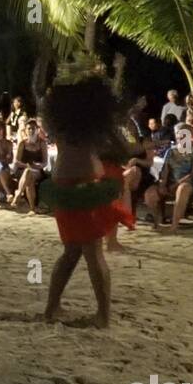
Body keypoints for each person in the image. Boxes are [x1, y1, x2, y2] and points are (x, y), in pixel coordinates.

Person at [41, 61, 134, 329]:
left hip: (66, 186)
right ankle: (102, 316)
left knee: (71, 252)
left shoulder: (59, 120)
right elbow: (124, 148)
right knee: (93, 252)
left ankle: (52, 308)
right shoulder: (93, 123)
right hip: (82, 190)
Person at [144, 124, 193, 233]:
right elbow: (165, 170)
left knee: (182, 189)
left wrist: (175, 184)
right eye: (178, 134)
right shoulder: (171, 151)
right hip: (170, 183)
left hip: (188, 183)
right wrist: (162, 184)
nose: (180, 137)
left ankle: (174, 226)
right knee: (150, 194)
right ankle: (157, 222)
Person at [10, 120, 47, 215]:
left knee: (29, 173)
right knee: (28, 175)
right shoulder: (22, 143)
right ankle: (32, 208)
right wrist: (27, 165)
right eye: (29, 128)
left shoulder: (42, 143)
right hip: (23, 170)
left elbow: (45, 162)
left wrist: (38, 166)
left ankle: (18, 194)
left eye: (33, 128)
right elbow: (16, 161)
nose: (31, 131)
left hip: (37, 170)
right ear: (25, 130)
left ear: (37, 130)